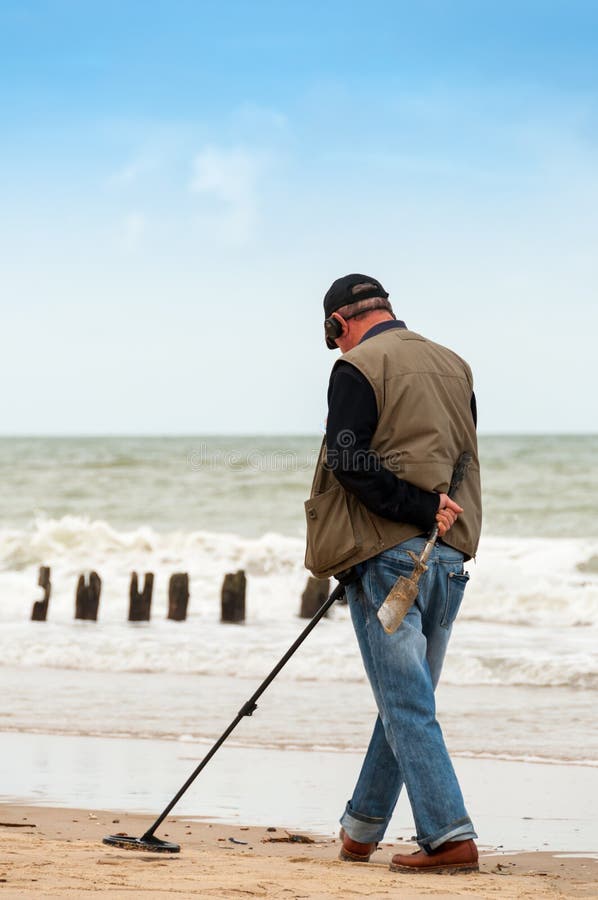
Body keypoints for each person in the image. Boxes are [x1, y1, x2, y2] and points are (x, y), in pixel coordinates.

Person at [304, 274, 482, 875]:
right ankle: (362, 830)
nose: (339, 349)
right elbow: (462, 456)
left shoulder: (358, 366)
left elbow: (348, 460)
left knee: (406, 702)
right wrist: (434, 510)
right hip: (449, 556)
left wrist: (413, 506)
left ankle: (449, 835)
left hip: (390, 557)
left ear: (338, 324)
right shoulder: (454, 364)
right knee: (407, 698)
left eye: (335, 339)